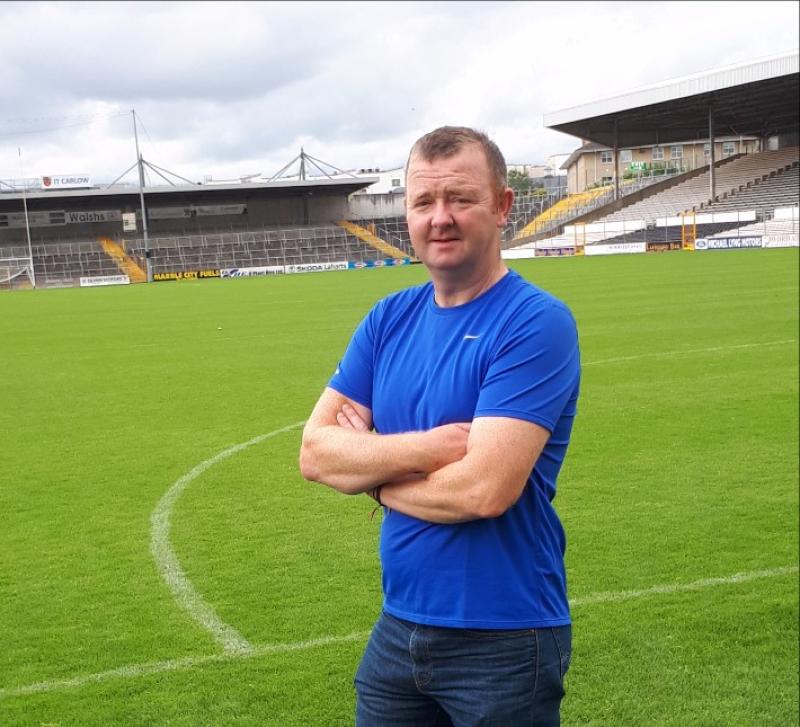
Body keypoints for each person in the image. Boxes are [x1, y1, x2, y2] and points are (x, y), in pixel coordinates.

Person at [299, 126, 581, 726]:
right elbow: (316, 453)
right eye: (423, 201)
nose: (440, 218)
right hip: (398, 627)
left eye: (460, 198)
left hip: (506, 637)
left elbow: (484, 490)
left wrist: (373, 476)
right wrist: (431, 447)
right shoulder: (388, 319)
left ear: (502, 205)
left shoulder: (535, 322)